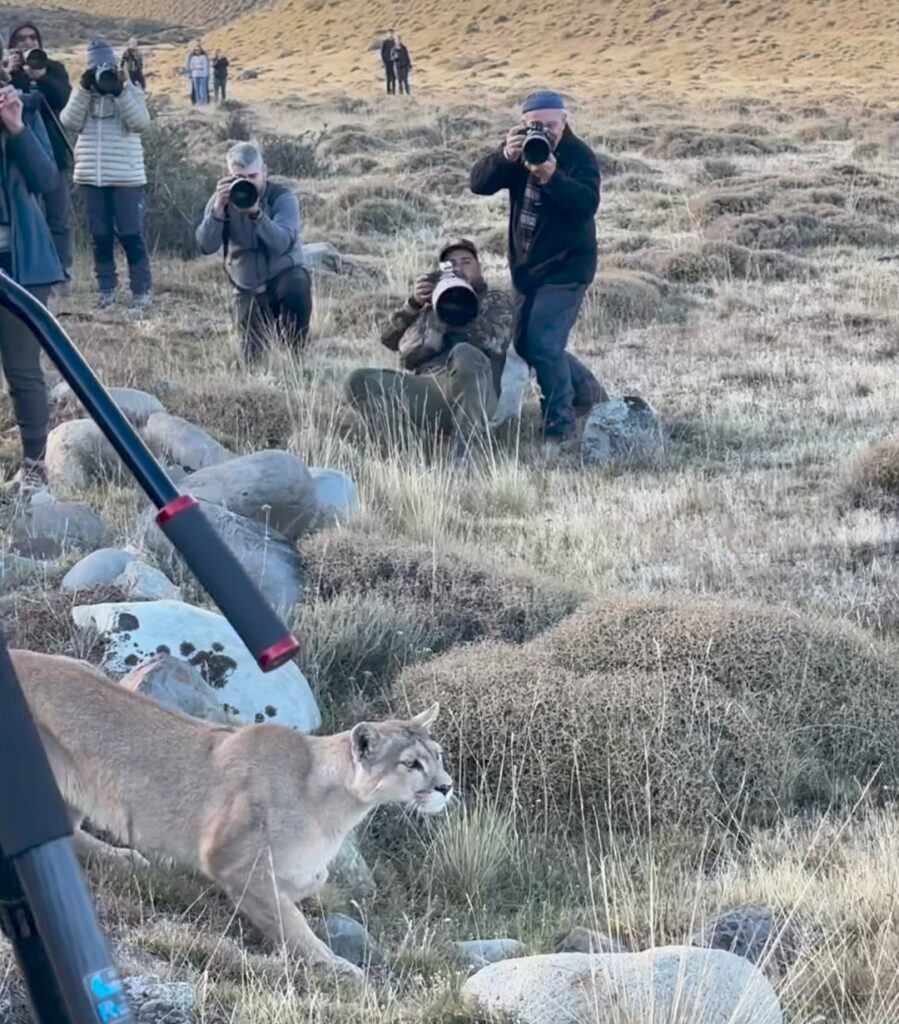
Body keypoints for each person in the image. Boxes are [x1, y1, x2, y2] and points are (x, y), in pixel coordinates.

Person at [470, 89, 603, 443]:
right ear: (523, 125)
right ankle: (587, 393)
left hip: (567, 270)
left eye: (550, 124)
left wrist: (551, 175)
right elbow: (478, 184)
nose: (544, 132)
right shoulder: (518, 154)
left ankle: (559, 428)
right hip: (527, 272)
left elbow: (586, 204)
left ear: (564, 121)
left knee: (544, 346)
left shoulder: (578, 156)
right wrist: (503, 156)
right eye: (535, 125)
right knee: (527, 346)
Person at [345, 239, 514, 439]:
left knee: (464, 353)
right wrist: (414, 304)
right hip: (431, 389)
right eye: (451, 265)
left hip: (477, 391)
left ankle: (466, 452)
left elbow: (491, 340)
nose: (459, 268)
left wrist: (460, 304)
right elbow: (387, 338)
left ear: (479, 267)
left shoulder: (495, 301)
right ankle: (400, 451)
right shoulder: (430, 305)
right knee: (358, 380)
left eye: (466, 262)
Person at [0, 73, 66, 491]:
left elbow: (47, 179)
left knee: (23, 371)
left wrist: (17, 128)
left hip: (19, 261)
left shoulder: (25, 107)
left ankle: (35, 470)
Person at [196, 141, 312, 363]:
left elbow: (282, 243)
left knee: (297, 284)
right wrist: (218, 212)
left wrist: (257, 214)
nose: (246, 184)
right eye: (240, 177)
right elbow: (205, 246)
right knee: (253, 360)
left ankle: (296, 355)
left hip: (283, 276)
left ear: (264, 172)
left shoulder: (282, 198)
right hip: (247, 287)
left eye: (252, 177)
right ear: (229, 175)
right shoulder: (220, 201)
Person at [61, 40, 152, 317]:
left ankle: (141, 292)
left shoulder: (130, 91)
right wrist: (83, 89)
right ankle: (106, 291)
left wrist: (121, 91)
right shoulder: (85, 95)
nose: (102, 74)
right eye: (95, 68)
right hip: (90, 176)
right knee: (99, 237)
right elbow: (69, 121)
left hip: (125, 177)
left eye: (106, 67)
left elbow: (140, 123)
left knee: (130, 234)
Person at [6, 22, 73, 283]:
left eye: (33, 37)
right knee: (25, 217)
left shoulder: (54, 68)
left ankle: (62, 272)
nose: (27, 42)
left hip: (52, 151)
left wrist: (41, 76)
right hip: (18, 154)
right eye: (21, 38)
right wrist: (10, 74)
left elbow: (63, 100)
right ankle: (27, 272)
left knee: (59, 217)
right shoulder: (8, 71)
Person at [380, 29, 396, 95]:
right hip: (387, 61)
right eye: (390, 33)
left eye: (392, 33)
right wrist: (384, 60)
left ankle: (394, 91)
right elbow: (382, 52)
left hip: (393, 61)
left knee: (394, 77)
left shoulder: (395, 42)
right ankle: (388, 91)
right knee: (388, 77)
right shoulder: (385, 42)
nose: (391, 34)